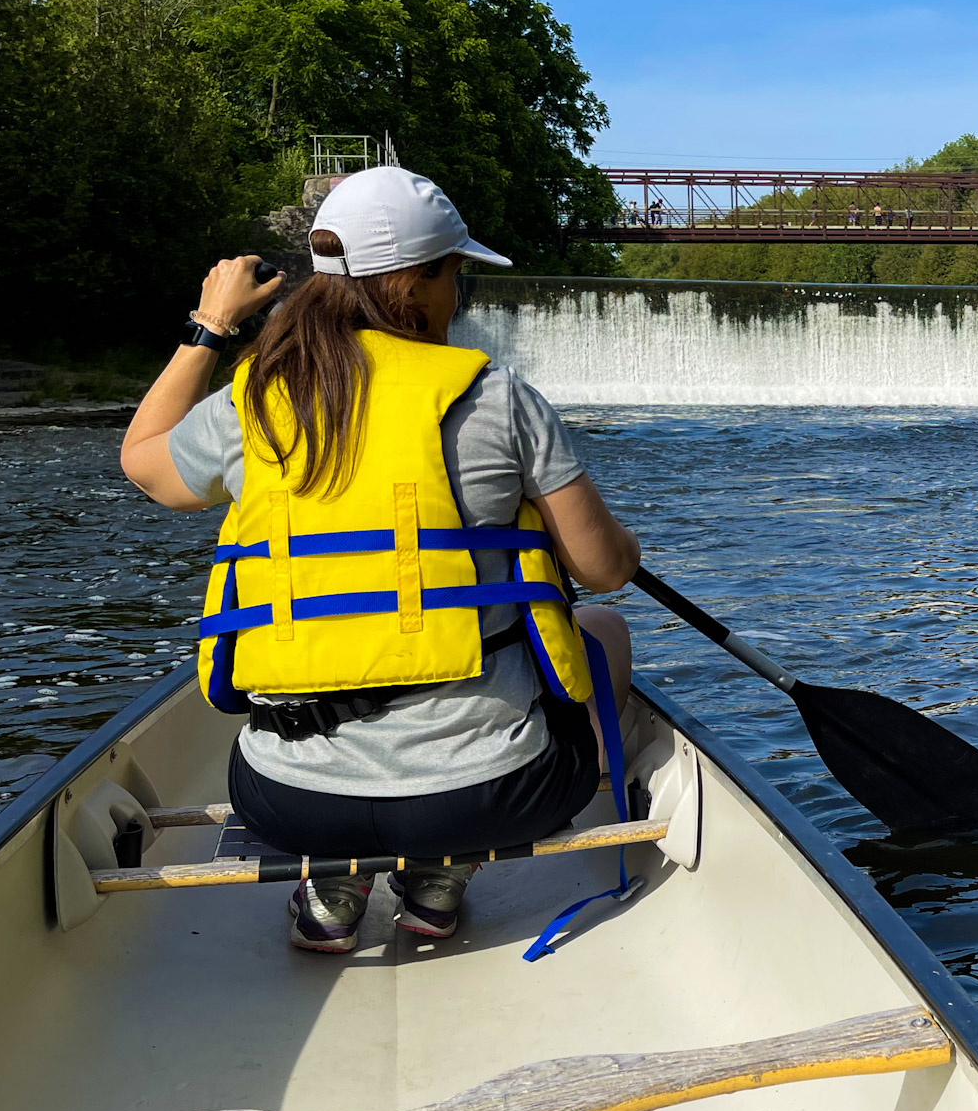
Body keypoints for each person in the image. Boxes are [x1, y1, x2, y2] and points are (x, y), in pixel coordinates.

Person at [119, 166, 642, 954]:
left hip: (284, 800)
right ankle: (440, 879)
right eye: (455, 273)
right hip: (492, 797)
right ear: (418, 284)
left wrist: (210, 327)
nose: (457, 295)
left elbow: (144, 463)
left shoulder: (253, 399)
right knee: (598, 629)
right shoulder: (497, 396)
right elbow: (605, 570)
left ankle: (333, 884)